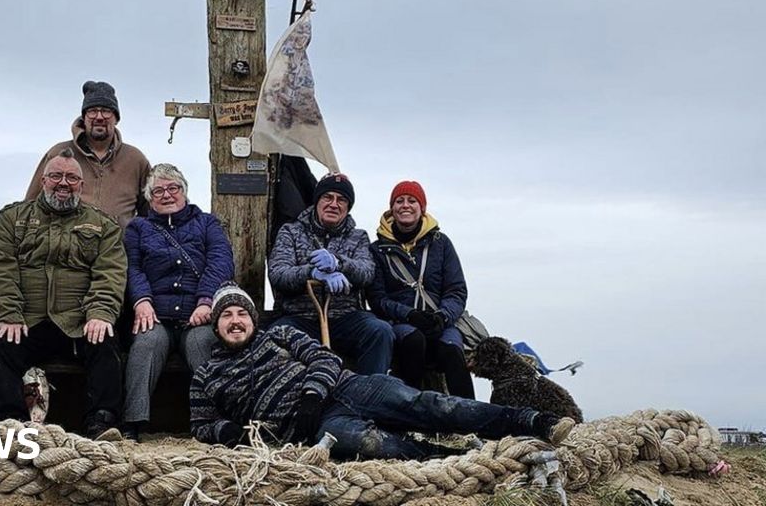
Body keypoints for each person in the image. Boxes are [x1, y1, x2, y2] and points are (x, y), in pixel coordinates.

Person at [190, 284, 575, 460]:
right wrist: (228, 432)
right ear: (217, 326)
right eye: (227, 315)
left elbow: (325, 360)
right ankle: (448, 458)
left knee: (430, 405)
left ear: (253, 319)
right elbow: (201, 425)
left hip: (348, 387)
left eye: (242, 313)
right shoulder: (208, 375)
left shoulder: (281, 334)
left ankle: (532, 421)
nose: (236, 321)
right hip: (313, 428)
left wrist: (310, 394)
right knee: (373, 446)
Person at [0, 149, 126, 437]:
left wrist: (99, 313)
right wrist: (8, 313)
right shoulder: (12, 219)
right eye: (56, 176)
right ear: (43, 180)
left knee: (107, 342)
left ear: (81, 185)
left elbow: (110, 273)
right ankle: (11, 422)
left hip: (78, 324)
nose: (64, 183)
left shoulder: (103, 226)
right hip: (28, 321)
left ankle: (102, 422)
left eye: (72, 177)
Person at [121, 163, 235, 440]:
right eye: (158, 190)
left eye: (173, 188)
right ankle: (132, 424)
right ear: (149, 198)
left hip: (197, 313)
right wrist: (141, 301)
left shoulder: (207, 222)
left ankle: (217, 421)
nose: (167, 195)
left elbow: (220, 262)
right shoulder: (138, 228)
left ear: (184, 192)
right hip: (155, 313)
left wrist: (206, 301)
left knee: (202, 344)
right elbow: (132, 268)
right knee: (146, 344)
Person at [267, 173, 394, 375]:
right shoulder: (291, 232)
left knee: (380, 331)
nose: (334, 204)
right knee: (273, 336)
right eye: (328, 197)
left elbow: (367, 272)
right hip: (300, 317)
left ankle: (372, 393)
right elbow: (278, 273)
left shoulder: (358, 236)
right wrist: (312, 273)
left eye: (341, 199)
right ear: (317, 201)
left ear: (348, 207)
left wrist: (339, 263)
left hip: (345, 318)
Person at [367, 180, 475, 399]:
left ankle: (470, 419)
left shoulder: (441, 243)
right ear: (392, 208)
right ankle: (412, 415)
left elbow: (456, 290)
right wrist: (409, 315)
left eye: (412, 200)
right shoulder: (377, 249)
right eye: (399, 201)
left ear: (421, 207)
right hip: (402, 321)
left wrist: (442, 317)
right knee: (414, 342)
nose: (405, 205)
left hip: (440, 319)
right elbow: (377, 298)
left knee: (453, 350)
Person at [25, 81, 151, 229]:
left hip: (118, 250)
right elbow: (30, 207)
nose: (99, 117)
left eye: (106, 111)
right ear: (84, 117)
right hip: (65, 249)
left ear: (116, 118)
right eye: (92, 111)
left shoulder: (136, 160)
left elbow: (151, 213)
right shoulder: (57, 154)